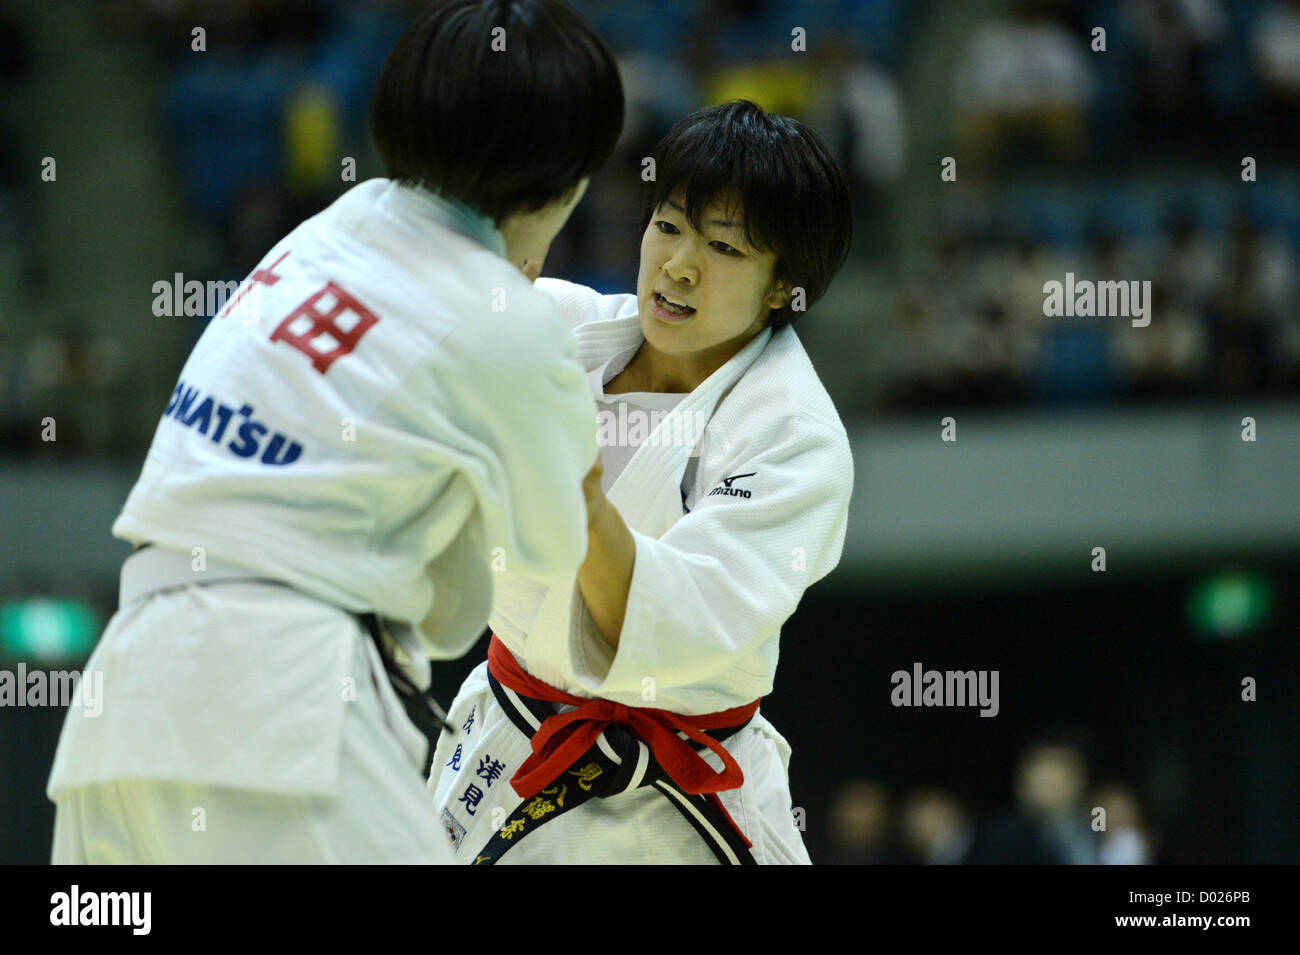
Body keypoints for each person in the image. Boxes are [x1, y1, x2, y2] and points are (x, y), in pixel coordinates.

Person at [46, 0, 623, 864]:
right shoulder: (514, 320)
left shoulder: (323, 233)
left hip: (120, 700)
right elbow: (543, 560)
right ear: (568, 181)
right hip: (274, 705)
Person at [427, 100, 854, 864]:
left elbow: (663, 624)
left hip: (683, 796)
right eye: (668, 225)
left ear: (785, 283)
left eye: (723, 246)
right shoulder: (550, 324)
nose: (680, 264)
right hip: (511, 739)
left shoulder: (796, 437)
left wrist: (579, 493)